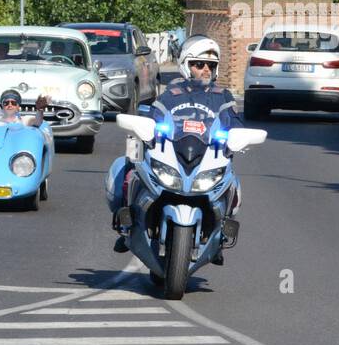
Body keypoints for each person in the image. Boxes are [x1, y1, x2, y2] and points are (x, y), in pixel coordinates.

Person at [104, 36, 243, 258]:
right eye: (199, 64)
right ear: (186, 65)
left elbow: (234, 122)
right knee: (129, 169)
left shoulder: (223, 97)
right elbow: (154, 115)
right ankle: (126, 226)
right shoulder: (170, 94)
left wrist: (238, 135)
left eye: (211, 65)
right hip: (174, 154)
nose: (205, 70)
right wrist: (146, 127)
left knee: (234, 182)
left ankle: (220, 234)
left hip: (208, 156)